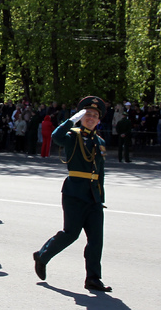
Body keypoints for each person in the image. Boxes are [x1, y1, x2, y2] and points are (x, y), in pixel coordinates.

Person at [32, 96, 112, 292]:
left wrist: (101, 198)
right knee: (70, 234)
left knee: (96, 240)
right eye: (87, 115)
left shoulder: (99, 141)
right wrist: (70, 120)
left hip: (93, 196)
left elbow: (100, 173)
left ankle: (93, 278)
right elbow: (56, 137)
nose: (91, 118)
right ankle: (43, 255)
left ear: (99, 120)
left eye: (94, 115)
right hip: (74, 193)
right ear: (81, 117)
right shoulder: (71, 135)